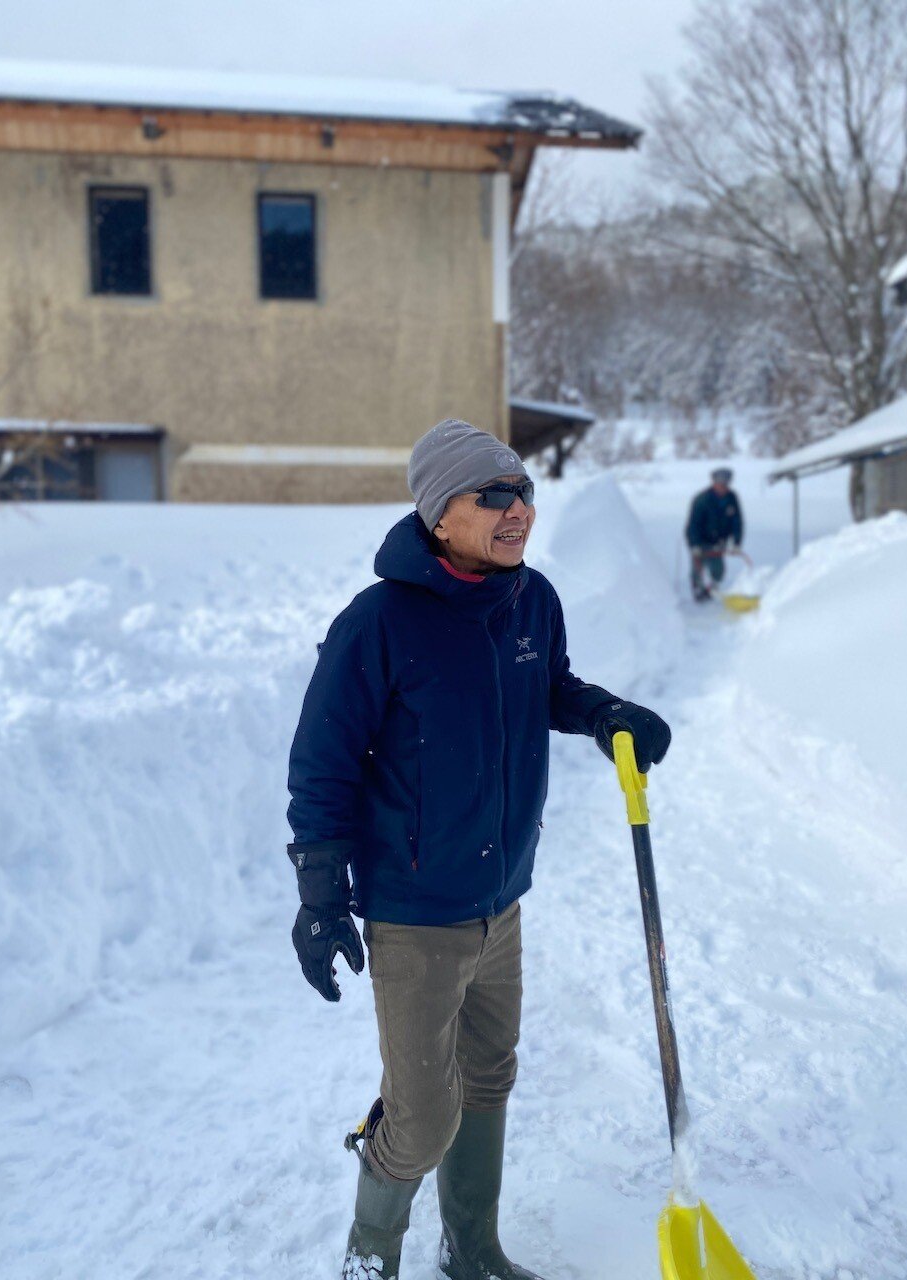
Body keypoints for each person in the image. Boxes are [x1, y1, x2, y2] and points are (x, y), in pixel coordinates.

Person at [286, 419, 672, 1280]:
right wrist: (319, 896)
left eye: (524, 492)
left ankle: (473, 1249)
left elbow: (552, 686)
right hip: (416, 912)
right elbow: (321, 762)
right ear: (439, 514)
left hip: (503, 898)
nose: (518, 511)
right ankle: (369, 1257)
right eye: (492, 495)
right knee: (423, 1116)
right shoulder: (378, 622)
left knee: (489, 1075)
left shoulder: (530, 598)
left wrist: (604, 713)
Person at [684, 467, 744, 602]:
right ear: (714, 483)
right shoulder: (701, 499)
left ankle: (713, 588)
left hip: (718, 542)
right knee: (697, 568)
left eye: (726, 484)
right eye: (720, 484)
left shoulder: (732, 498)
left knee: (718, 570)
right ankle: (698, 591)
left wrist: (736, 542)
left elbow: (737, 521)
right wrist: (694, 545)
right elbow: (693, 525)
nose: (723, 487)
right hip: (700, 541)